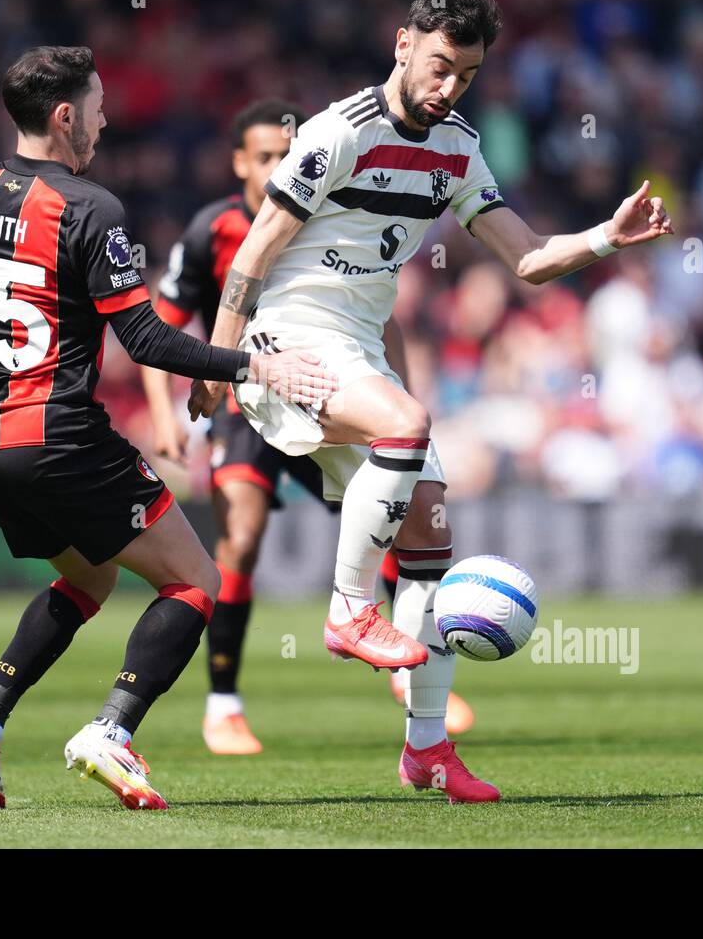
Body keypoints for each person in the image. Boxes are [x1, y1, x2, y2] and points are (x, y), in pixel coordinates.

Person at [189, 0, 673, 803]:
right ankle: (347, 609)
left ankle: (427, 752)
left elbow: (522, 258)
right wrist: (223, 359)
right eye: (441, 65)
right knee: (408, 423)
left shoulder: (457, 150)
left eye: (468, 74)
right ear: (404, 43)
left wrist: (602, 240)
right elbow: (255, 252)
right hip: (290, 338)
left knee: (431, 552)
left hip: (359, 348)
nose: (450, 86)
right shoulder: (338, 131)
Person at [0, 46, 335, 810]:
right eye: (96, 107)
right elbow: (146, 340)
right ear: (64, 116)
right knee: (196, 582)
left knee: (89, 577)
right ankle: (110, 732)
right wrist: (252, 367)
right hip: (56, 436)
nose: (105, 120)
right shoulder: (91, 207)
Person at [143, 98, 473, 754]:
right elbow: (162, 320)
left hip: (331, 387)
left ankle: (405, 670)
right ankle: (224, 704)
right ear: (240, 161)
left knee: (396, 512)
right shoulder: (216, 228)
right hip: (245, 400)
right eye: (263, 156)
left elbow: (378, 317)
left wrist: (398, 392)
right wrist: (163, 415)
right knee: (240, 537)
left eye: (283, 156)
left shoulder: (332, 208)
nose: (275, 167)